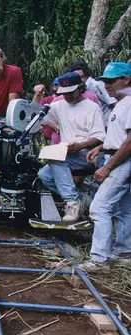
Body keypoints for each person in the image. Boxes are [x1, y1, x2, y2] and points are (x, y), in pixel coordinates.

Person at [80, 62, 131, 270]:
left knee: (99, 208)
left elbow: (129, 142)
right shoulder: (120, 102)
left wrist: (107, 167)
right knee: (123, 208)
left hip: (122, 161)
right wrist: (101, 147)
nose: (106, 85)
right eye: (105, 81)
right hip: (116, 155)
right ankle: (124, 251)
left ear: (126, 80)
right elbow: (120, 135)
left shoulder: (129, 103)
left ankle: (99, 258)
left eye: (111, 81)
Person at [38, 72, 105, 222]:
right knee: (44, 175)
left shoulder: (92, 107)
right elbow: (37, 114)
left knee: (56, 157)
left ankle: (72, 203)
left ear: (80, 89)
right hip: (67, 154)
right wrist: (37, 96)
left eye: (70, 92)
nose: (67, 96)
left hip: (87, 155)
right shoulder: (58, 105)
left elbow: (100, 137)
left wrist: (81, 145)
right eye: (64, 93)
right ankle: (80, 198)